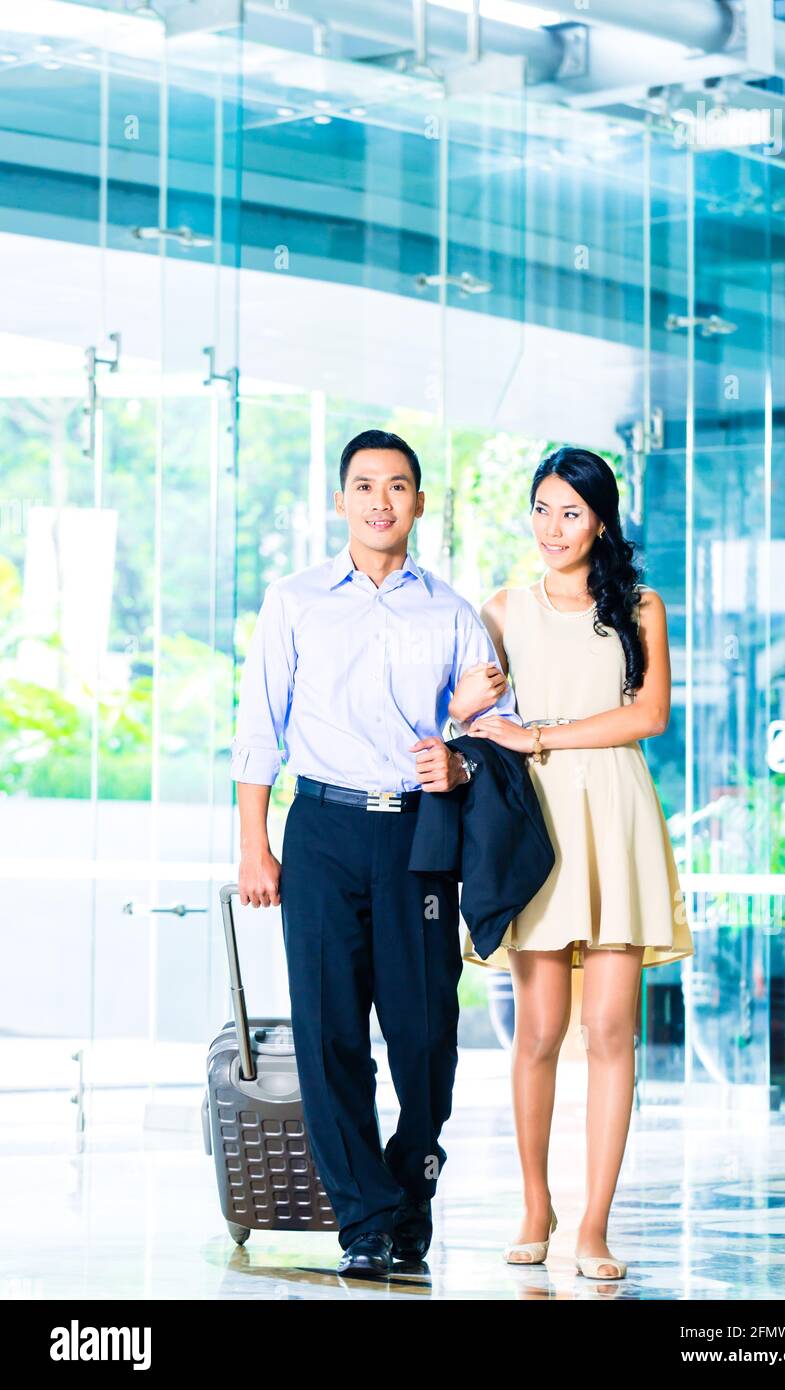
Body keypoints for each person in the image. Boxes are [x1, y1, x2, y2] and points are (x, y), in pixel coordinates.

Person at [229, 428, 521, 1278]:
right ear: (341, 502)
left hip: (416, 833)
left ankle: (409, 1186)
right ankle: (366, 1223)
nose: (381, 501)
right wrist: (257, 848)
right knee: (330, 1036)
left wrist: (461, 753)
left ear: (420, 503)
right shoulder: (295, 600)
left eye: (398, 486)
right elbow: (259, 730)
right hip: (320, 829)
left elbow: (499, 735)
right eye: (364, 486)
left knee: (425, 1032)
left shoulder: (453, 612)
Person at [449, 446, 694, 1280]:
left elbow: (649, 715)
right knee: (540, 1032)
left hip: (616, 818)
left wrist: (541, 733)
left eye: (573, 513)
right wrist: (474, 707)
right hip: (538, 826)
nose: (555, 528)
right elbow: (455, 706)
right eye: (544, 509)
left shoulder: (640, 605)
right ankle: (535, 1203)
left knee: (611, 1033)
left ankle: (592, 1224)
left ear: (600, 521)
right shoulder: (502, 609)